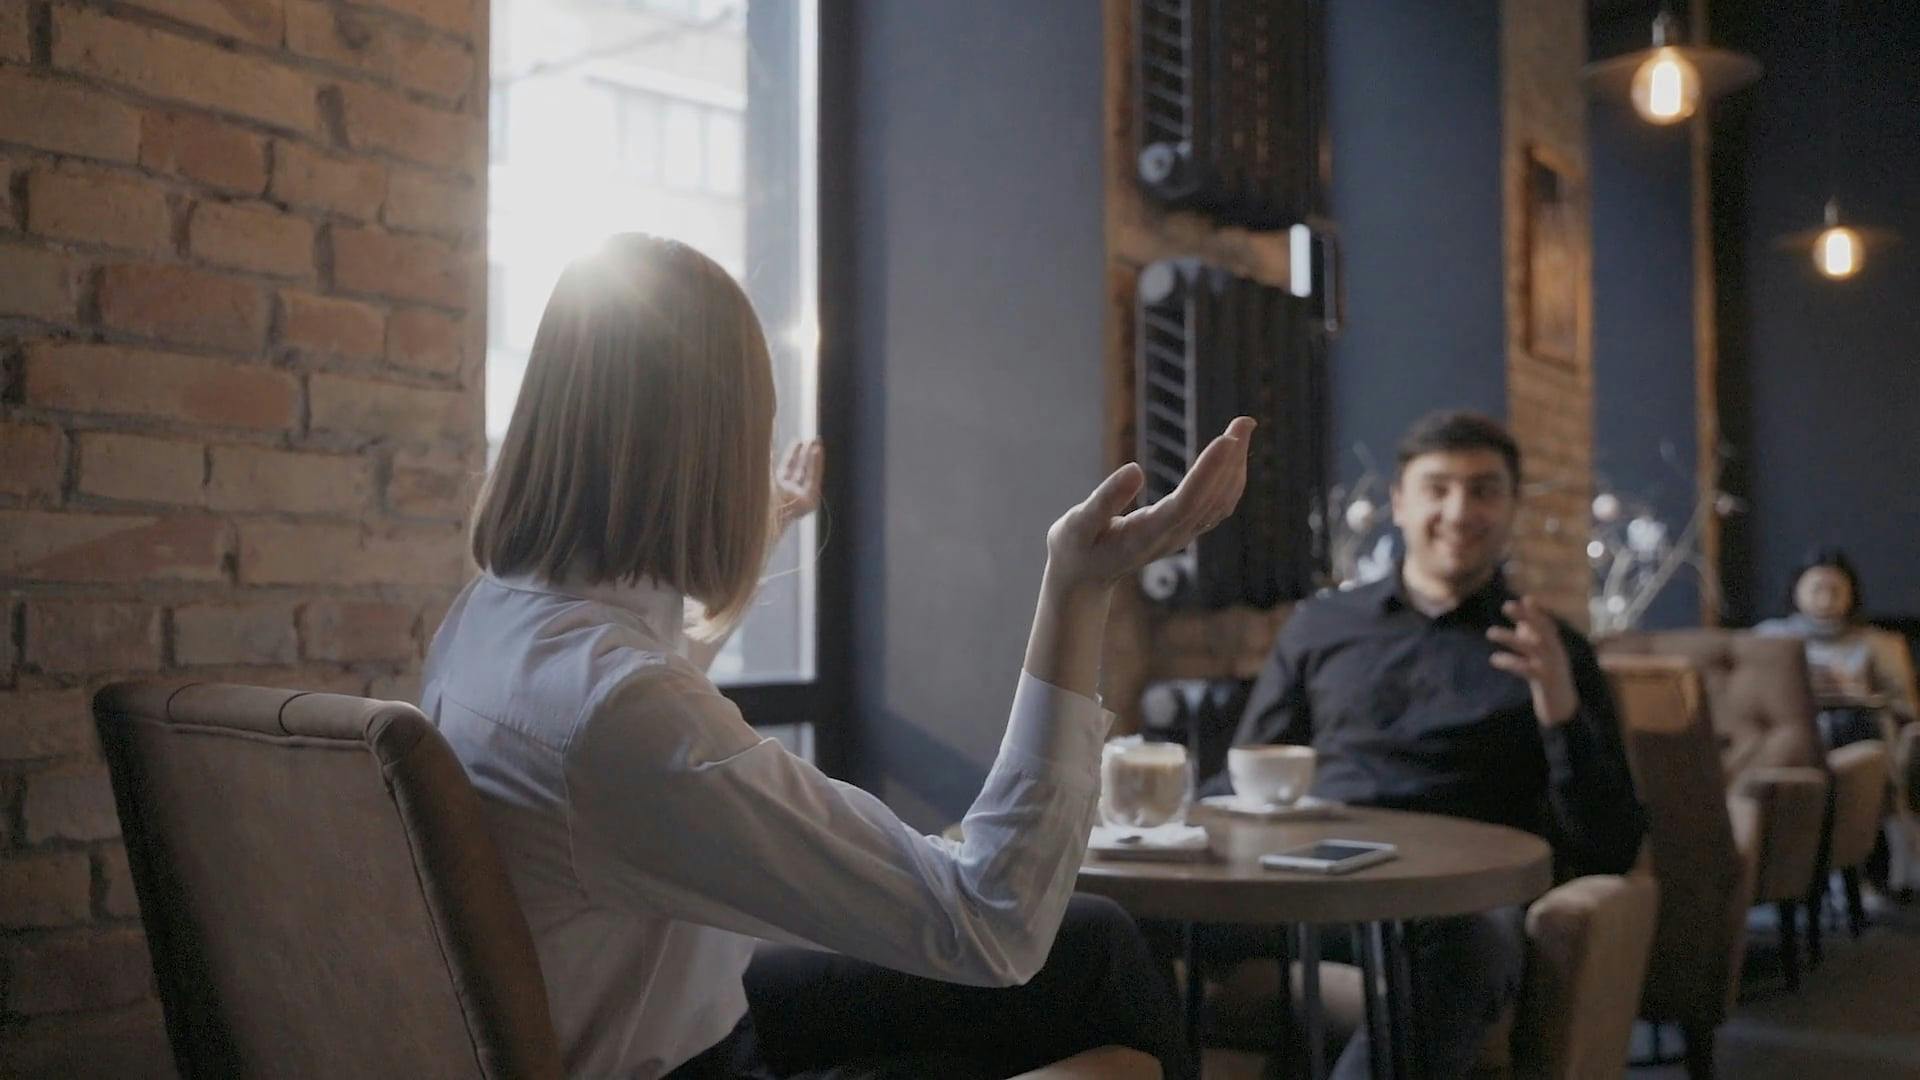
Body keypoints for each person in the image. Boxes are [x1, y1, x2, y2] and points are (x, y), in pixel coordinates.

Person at [420, 234, 1254, 1079]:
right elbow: (992, 920)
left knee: (1097, 945)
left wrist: (765, 526)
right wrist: (1077, 590)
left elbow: (620, 726)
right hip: (689, 1064)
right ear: (710, 451)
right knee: (1084, 982)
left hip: (655, 1025)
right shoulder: (621, 714)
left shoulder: (491, 625)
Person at [1197, 410, 1646, 1080]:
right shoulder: (1322, 626)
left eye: (1485, 490)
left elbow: (1610, 844)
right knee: (1109, 922)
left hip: (1457, 904)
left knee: (1460, 948)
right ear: (1399, 504)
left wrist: (1560, 707)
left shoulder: (1552, 649)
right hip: (1318, 890)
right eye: (1436, 488)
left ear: (1511, 507)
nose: (1459, 510)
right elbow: (1249, 776)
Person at [1756, 547, 1918, 747]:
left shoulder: (1880, 644)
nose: (1826, 600)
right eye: (1817, 590)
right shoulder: (1769, 637)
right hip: (1788, 728)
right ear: (1796, 589)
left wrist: (1863, 698)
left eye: (1835, 590)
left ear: (1851, 593)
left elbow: (1906, 712)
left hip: (1860, 732)